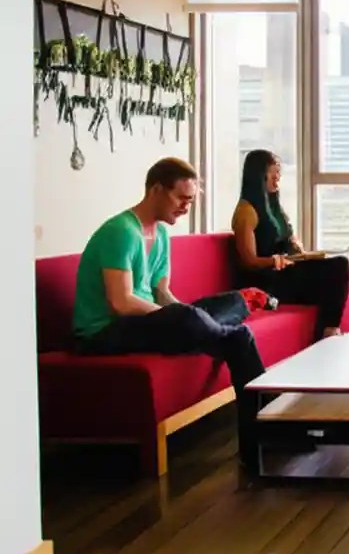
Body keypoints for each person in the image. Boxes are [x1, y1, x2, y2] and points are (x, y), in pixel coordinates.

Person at [72, 157, 266, 465]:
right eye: (181, 198)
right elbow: (121, 302)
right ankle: (265, 433)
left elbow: (162, 294)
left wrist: (185, 315)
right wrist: (181, 318)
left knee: (231, 302)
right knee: (233, 335)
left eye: (191, 201)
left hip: (144, 322)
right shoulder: (121, 231)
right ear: (157, 190)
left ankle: (212, 330)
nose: (186, 207)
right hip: (104, 332)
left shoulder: (160, 234)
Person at [231, 149, 349, 340]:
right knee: (339, 268)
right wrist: (275, 260)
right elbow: (249, 261)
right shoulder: (246, 211)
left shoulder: (274, 208)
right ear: (259, 174)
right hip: (266, 280)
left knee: (339, 271)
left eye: (279, 171)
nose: (277, 177)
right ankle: (328, 332)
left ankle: (326, 330)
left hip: (284, 272)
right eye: (273, 171)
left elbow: (286, 241)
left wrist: (299, 251)